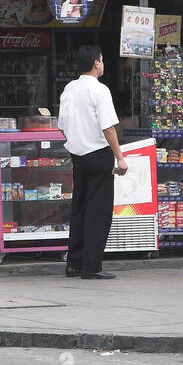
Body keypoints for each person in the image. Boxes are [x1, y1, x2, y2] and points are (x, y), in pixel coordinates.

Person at [58, 44, 130, 280]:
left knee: (79, 209)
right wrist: (119, 156)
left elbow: (62, 126)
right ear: (96, 63)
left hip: (78, 156)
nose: (102, 63)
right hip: (99, 155)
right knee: (98, 211)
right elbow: (108, 126)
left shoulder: (69, 89)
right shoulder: (100, 90)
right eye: (101, 59)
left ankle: (74, 263)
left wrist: (77, 142)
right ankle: (91, 266)